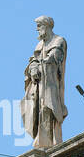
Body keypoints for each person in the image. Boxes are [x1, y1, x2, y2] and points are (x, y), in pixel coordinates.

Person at [22, 15, 67, 149]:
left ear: (46, 26)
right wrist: (33, 67)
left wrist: (39, 66)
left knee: (48, 109)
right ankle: (41, 140)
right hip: (39, 85)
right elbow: (33, 60)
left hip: (51, 84)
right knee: (37, 109)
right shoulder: (40, 44)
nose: (37, 29)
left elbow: (54, 59)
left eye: (39, 26)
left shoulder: (58, 41)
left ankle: (49, 141)